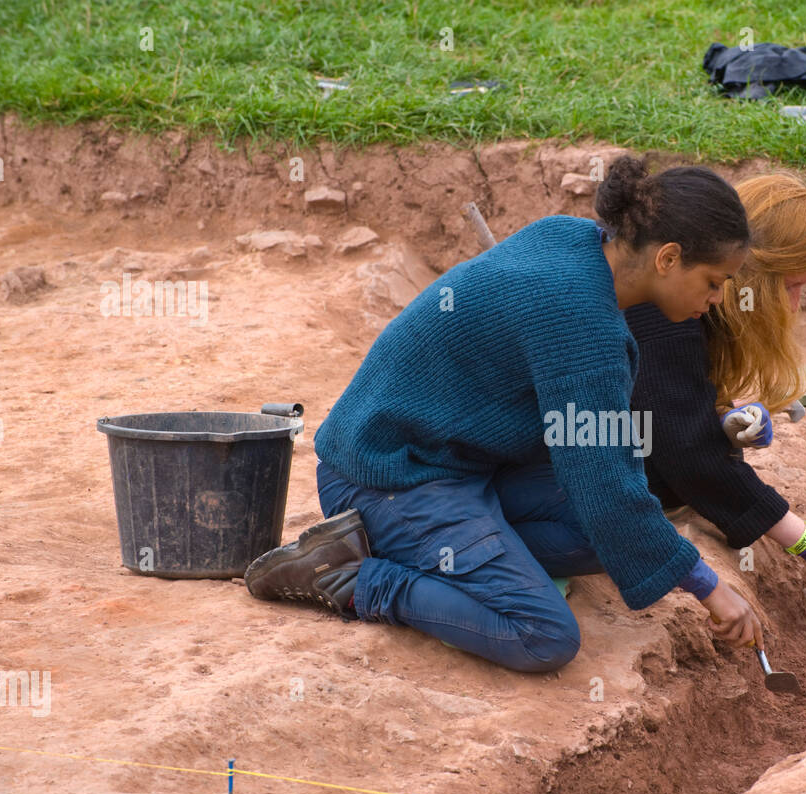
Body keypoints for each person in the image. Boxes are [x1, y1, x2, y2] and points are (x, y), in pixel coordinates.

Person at [244, 156, 768, 671]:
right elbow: (604, 482)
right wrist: (709, 586)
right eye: (715, 281)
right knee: (543, 636)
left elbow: (607, 487)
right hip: (388, 476)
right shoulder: (582, 325)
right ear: (668, 257)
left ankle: (460, 553)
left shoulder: (572, 239)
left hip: (460, 462)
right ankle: (355, 578)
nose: (718, 299)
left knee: (618, 537)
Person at [623, 172, 806, 626]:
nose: (793, 306)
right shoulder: (663, 307)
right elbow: (686, 457)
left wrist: (721, 419)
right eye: (790, 286)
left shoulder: (685, 290)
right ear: (751, 273)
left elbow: (665, 408)